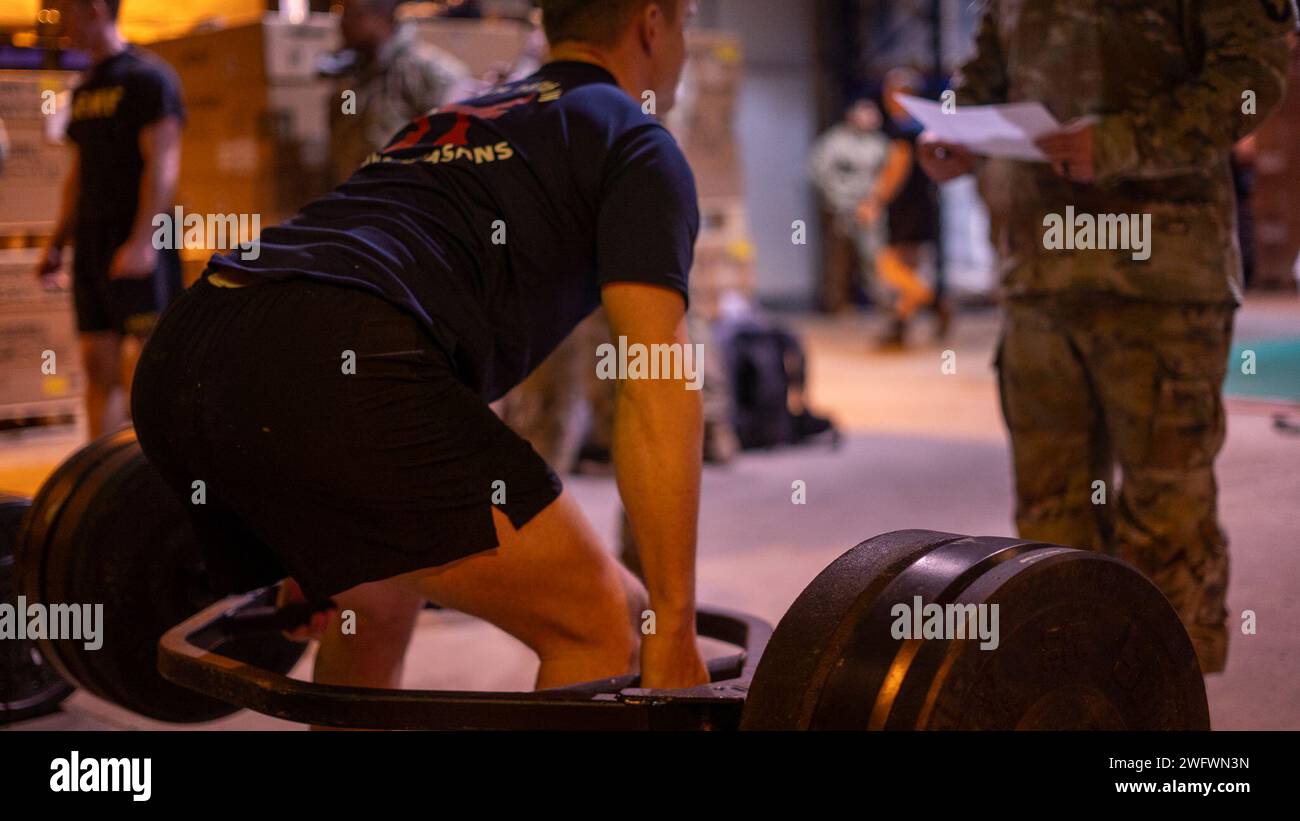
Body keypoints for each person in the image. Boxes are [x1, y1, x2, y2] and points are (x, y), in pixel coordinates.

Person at [131, 0, 710, 693]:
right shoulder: (638, 141)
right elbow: (655, 376)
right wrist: (675, 629)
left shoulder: (450, 116)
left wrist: (311, 523)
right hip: (342, 355)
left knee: (376, 595)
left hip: (189, 343)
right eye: (687, 22)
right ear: (653, 23)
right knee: (610, 619)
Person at [918, 0, 1297, 673]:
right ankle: (1067, 699)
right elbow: (984, 75)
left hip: (1161, 278)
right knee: (1049, 518)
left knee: (1166, 518)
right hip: (1038, 271)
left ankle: (1166, 722)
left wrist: (1123, 140)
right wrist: (957, 136)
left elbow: (1252, 77)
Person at [34, 0, 184, 438]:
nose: (60, 27)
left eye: (65, 14)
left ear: (95, 10)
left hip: (135, 235)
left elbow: (163, 163)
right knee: (97, 366)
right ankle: (98, 482)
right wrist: (59, 241)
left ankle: (152, 478)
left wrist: (144, 241)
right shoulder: (83, 90)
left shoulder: (149, 79)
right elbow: (79, 174)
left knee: (144, 369)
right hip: (92, 240)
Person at [324, 0, 470, 186]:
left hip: (406, 198)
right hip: (358, 197)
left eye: (353, 15)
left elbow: (453, 139)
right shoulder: (354, 74)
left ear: (381, 19)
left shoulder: (427, 71)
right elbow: (347, 122)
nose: (343, 24)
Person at [874, 67, 946, 348]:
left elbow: (897, 168)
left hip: (905, 208)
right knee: (908, 268)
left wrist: (875, 200)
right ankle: (899, 328)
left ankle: (935, 302)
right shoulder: (924, 127)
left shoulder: (902, 128)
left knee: (888, 265)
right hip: (923, 203)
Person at [807, 97, 890, 314]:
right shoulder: (834, 142)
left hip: (870, 207)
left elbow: (888, 176)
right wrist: (835, 200)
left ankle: (885, 304)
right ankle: (837, 304)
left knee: (873, 256)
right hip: (842, 207)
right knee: (839, 257)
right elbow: (819, 172)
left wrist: (876, 201)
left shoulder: (879, 144)